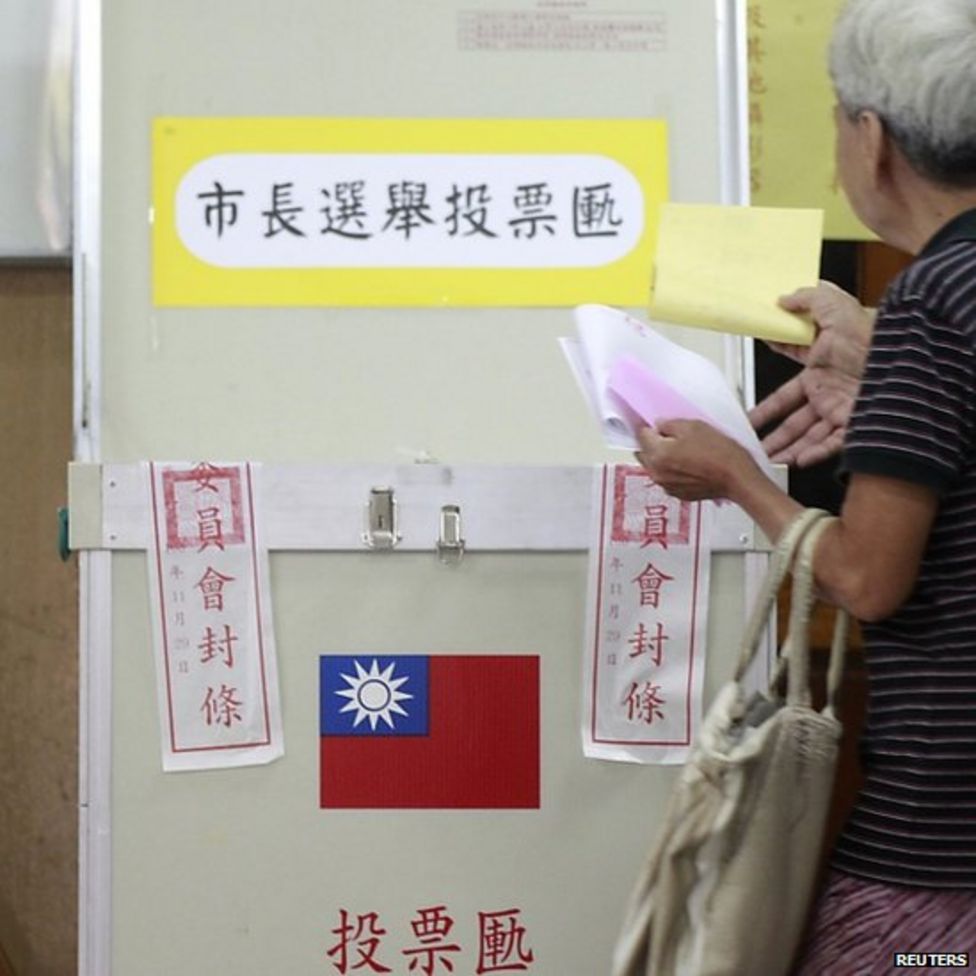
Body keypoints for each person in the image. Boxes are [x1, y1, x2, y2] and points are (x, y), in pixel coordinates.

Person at [635, 0, 976, 970]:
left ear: (870, 138)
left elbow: (868, 579)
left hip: (939, 842)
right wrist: (885, 366)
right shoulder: (927, 311)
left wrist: (739, 476)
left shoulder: (931, 298)